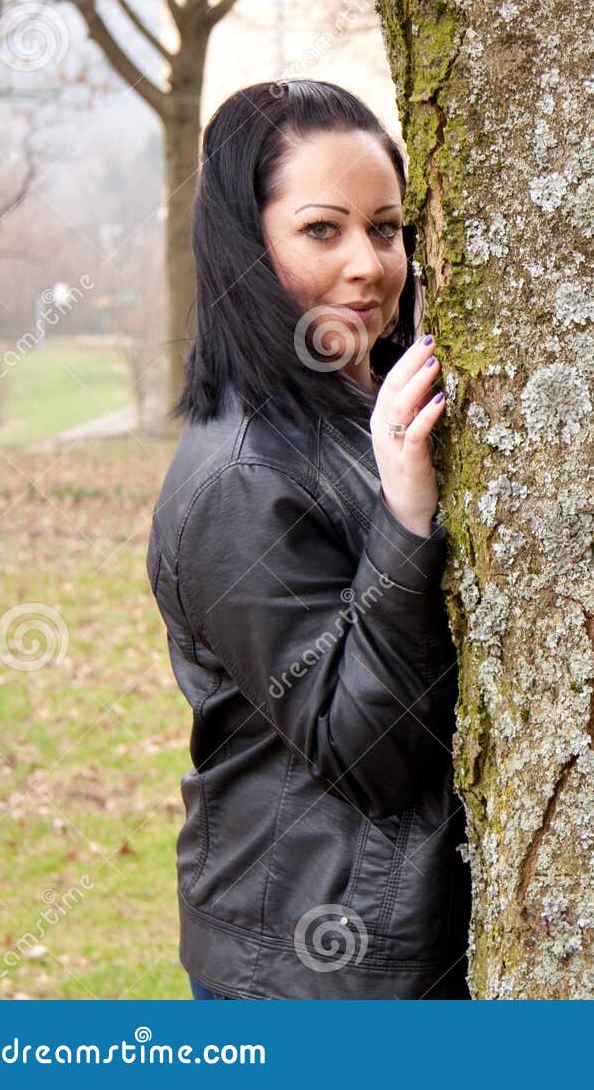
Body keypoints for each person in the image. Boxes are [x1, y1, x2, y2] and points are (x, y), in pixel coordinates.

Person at [147, 80, 467, 999]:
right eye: (322, 230)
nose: (369, 264)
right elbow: (369, 750)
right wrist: (406, 521)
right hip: (312, 974)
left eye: (387, 227)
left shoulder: (361, 410)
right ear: (247, 245)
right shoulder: (239, 480)